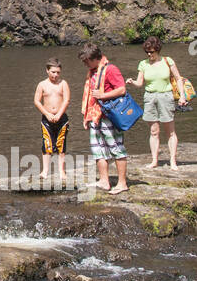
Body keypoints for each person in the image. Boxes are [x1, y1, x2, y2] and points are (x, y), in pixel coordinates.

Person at [126, 36, 187, 169]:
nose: (149, 54)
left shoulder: (167, 61)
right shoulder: (143, 64)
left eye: (152, 52)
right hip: (150, 97)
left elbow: (178, 78)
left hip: (166, 96)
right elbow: (140, 83)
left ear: (157, 50)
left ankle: (173, 161)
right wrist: (132, 82)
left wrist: (182, 96)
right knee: (154, 131)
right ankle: (154, 161)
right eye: (147, 52)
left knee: (170, 130)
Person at [80, 44, 129, 194]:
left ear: (94, 58)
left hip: (109, 115)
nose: (85, 64)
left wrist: (103, 95)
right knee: (98, 149)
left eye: (86, 61)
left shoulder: (110, 69)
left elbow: (122, 89)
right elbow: (90, 95)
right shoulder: (93, 71)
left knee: (116, 147)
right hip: (95, 116)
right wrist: (87, 115)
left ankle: (122, 183)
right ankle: (104, 181)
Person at [33, 58, 71, 183]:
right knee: (47, 144)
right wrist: (47, 114)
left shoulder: (63, 83)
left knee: (61, 144)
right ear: (47, 71)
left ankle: (61, 170)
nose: (56, 75)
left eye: (58, 72)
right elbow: (37, 101)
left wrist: (59, 114)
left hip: (61, 118)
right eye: (53, 72)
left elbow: (66, 100)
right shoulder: (42, 84)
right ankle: (45, 171)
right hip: (47, 118)